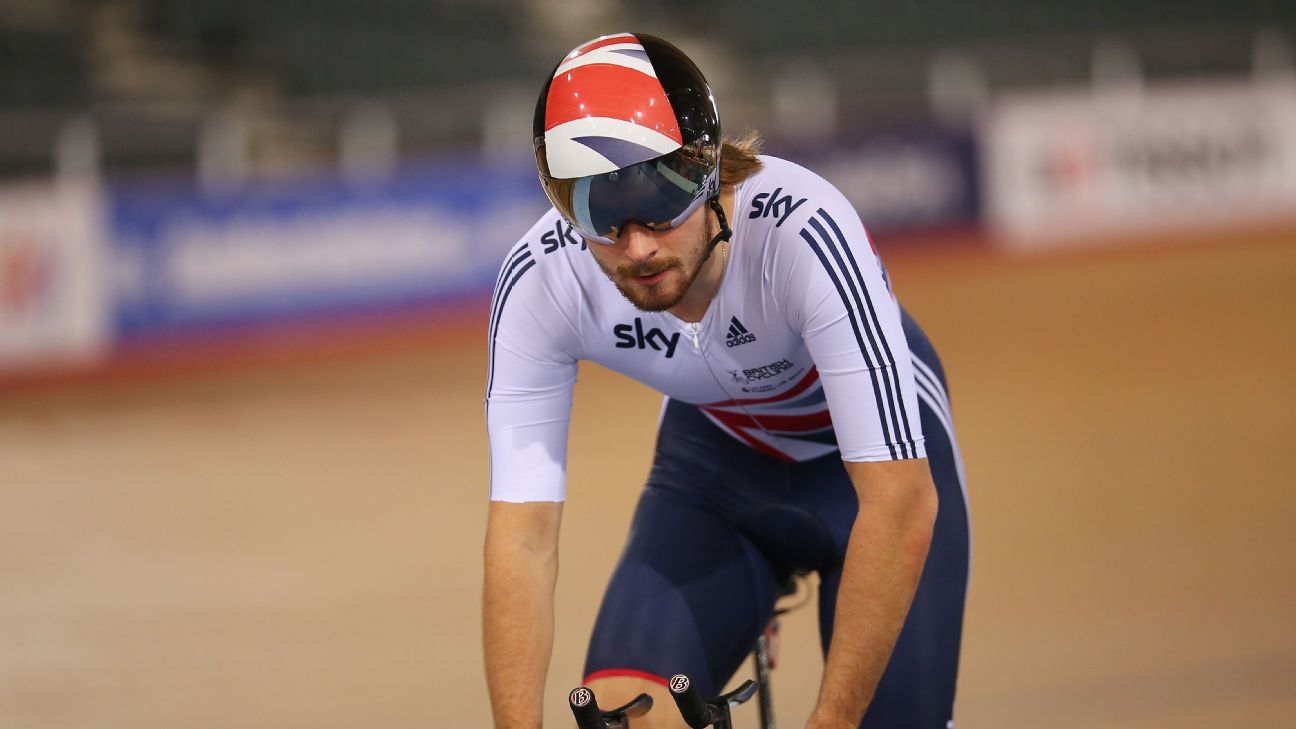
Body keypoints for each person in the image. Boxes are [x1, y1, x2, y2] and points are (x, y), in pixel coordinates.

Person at [483, 32, 970, 729]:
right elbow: (522, 533)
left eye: (659, 196)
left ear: (708, 170)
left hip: (875, 480)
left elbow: (898, 504)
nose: (638, 245)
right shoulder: (543, 280)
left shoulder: (803, 234)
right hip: (716, 467)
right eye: (598, 210)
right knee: (629, 717)